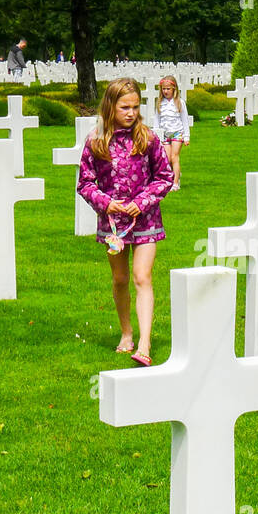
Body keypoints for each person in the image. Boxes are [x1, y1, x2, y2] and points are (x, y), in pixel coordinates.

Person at [76, 76, 174, 366]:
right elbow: (85, 183)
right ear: (110, 107)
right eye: (124, 107)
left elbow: (164, 178)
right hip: (113, 226)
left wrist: (140, 202)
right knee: (120, 279)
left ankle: (144, 344)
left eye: (135, 107)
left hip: (146, 220)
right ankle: (126, 333)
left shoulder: (148, 138)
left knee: (142, 276)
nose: (131, 113)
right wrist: (108, 203)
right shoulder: (95, 142)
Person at [152, 74, 190, 190]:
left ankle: (175, 183)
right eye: (164, 89)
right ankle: (173, 175)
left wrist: (186, 136)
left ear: (174, 89)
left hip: (177, 132)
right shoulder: (160, 103)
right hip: (164, 134)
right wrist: (156, 134)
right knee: (166, 158)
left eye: (168, 89)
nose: (166, 91)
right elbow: (157, 119)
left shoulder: (179, 102)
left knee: (174, 156)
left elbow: (184, 120)